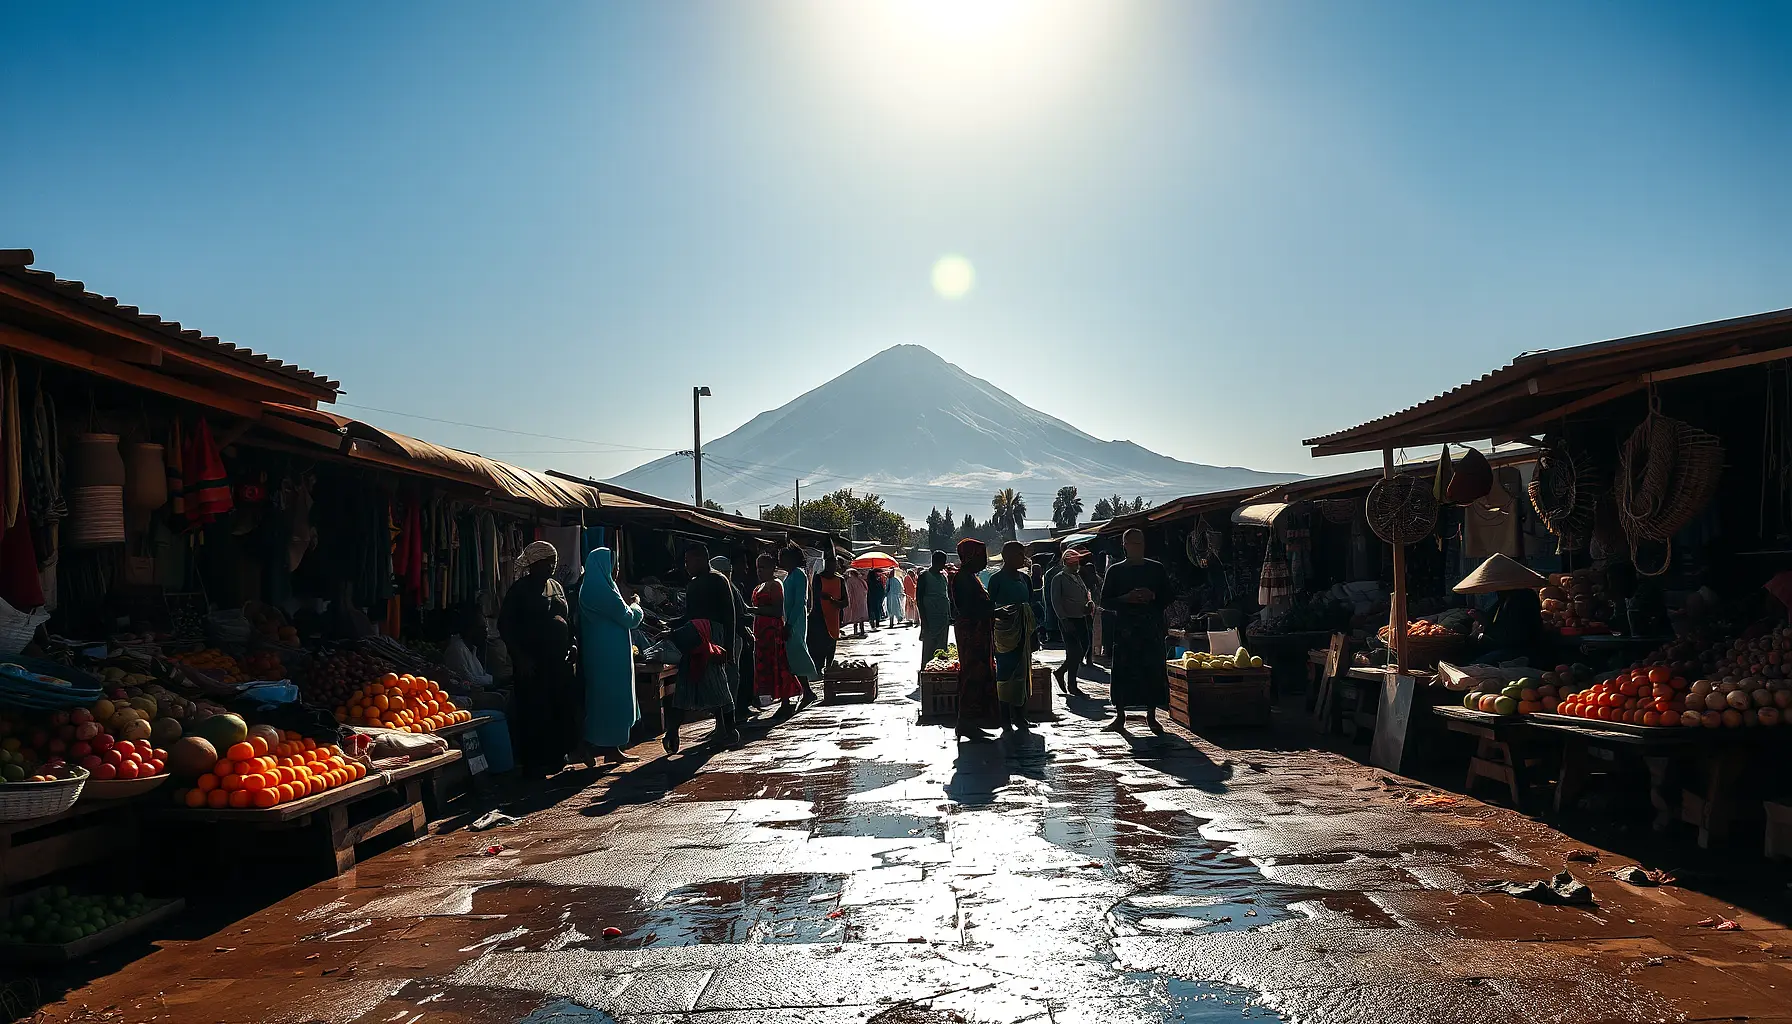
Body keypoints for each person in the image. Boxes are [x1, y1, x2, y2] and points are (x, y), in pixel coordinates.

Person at [498, 540, 578, 774]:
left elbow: (568, 620)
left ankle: (558, 756)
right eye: (547, 562)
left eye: (553, 561)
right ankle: (534, 763)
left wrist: (572, 644)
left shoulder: (557, 586)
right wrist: (520, 657)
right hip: (533, 665)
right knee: (535, 712)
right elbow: (506, 626)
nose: (552, 566)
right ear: (534, 564)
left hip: (558, 663)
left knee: (558, 709)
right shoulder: (520, 590)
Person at [668, 542, 741, 752]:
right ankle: (673, 731)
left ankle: (730, 730)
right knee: (685, 683)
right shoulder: (692, 584)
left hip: (713, 641)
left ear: (701, 559)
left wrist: (728, 648)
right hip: (694, 638)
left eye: (688, 561)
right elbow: (689, 616)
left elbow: (730, 615)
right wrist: (669, 624)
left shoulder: (718, 580)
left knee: (718, 685)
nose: (686, 565)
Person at [1099, 529, 1171, 735]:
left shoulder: (1156, 569)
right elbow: (1104, 601)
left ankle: (1152, 715)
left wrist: (1152, 595)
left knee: (1152, 671)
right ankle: (1120, 715)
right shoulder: (1115, 571)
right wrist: (1126, 598)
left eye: (1140, 543)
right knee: (1123, 672)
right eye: (1132, 544)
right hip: (1125, 630)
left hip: (1151, 628)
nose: (1136, 547)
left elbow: (1168, 596)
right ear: (1125, 545)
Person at [578, 546, 645, 763]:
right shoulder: (599, 589)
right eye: (613, 565)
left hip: (607, 654)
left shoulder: (602, 586)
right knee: (610, 699)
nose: (616, 570)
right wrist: (636, 605)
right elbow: (629, 618)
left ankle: (609, 748)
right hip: (607, 657)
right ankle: (597, 747)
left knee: (606, 700)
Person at [1454, 552, 1547, 662]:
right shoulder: (1504, 599)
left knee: (1477, 662)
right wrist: (1468, 622)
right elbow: (1490, 615)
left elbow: (1513, 636)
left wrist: (1483, 633)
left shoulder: (1523, 598)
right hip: (1506, 644)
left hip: (1522, 650)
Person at [951, 538, 999, 743]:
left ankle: (974, 721)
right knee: (973, 675)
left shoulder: (970, 577)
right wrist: (993, 610)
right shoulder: (962, 578)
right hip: (972, 633)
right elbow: (968, 607)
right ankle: (966, 721)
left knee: (980, 674)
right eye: (982, 556)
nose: (985, 561)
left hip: (979, 632)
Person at [988, 541, 1037, 733]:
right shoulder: (996, 579)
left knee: (1023, 673)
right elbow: (989, 608)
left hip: (1024, 630)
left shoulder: (1025, 579)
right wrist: (1001, 613)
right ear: (1006, 556)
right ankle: (1005, 718)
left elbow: (1030, 605)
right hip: (1005, 633)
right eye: (1019, 554)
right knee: (1005, 673)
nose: (1022, 558)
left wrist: (1033, 634)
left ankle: (1021, 716)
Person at [752, 552, 805, 712]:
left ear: (772, 568)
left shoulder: (775, 585)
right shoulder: (760, 586)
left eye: (764, 567)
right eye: (758, 567)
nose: (760, 571)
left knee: (778, 665)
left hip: (772, 630)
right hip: (761, 632)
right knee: (766, 666)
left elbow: (776, 610)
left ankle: (786, 701)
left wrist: (754, 610)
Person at [711, 555, 759, 714]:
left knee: (738, 673)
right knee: (732, 675)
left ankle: (739, 707)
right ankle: (733, 711)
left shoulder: (731, 587)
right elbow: (734, 617)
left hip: (737, 634)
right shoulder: (725, 588)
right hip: (731, 636)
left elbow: (741, 611)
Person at [780, 544, 820, 706]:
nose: (780, 561)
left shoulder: (798, 575)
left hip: (795, 620)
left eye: (783, 558)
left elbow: (799, 602)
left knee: (796, 653)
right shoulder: (788, 576)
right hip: (788, 619)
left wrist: (789, 624)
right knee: (792, 656)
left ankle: (806, 691)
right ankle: (805, 690)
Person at [1051, 548, 1093, 696]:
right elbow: (1056, 601)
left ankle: (1061, 672)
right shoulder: (1059, 578)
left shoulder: (1077, 577)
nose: (1077, 564)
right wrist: (1063, 619)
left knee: (1084, 647)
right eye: (1075, 562)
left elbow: (1086, 594)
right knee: (1075, 651)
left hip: (1081, 617)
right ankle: (1072, 685)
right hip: (1068, 619)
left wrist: (1089, 604)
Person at [810, 549, 846, 671]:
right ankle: (819, 669)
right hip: (819, 618)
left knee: (831, 645)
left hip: (834, 618)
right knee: (819, 645)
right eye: (830, 564)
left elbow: (845, 602)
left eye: (834, 564)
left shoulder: (840, 580)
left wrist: (833, 601)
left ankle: (829, 669)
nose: (833, 567)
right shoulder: (818, 579)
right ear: (825, 564)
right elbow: (813, 596)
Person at [916, 550, 953, 669]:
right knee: (928, 649)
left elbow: (947, 596)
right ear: (935, 561)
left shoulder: (944, 577)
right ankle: (925, 674)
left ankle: (939, 673)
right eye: (942, 562)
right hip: (930, 619)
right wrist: (924, 620)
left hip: (943, 619)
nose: (943, 565)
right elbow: (919, 599)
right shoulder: (924, 576)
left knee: (942, 649)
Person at [443, 603, 494, 688]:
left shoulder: (471, 649)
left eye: (486, 628)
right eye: (482, 628)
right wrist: (494, 680)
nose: (485, 633)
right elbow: (470, 681)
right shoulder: (456, 650)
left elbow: (482, 675)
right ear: (470, 629)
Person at [844, 567, 869, 637]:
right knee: (861, 616)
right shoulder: (861, 580)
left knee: (855, 615)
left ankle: (855, 631)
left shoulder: (849, 581)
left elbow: (848, 591)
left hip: (853, 599)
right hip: (861, 599)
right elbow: (866, 588)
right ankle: (862, 630)